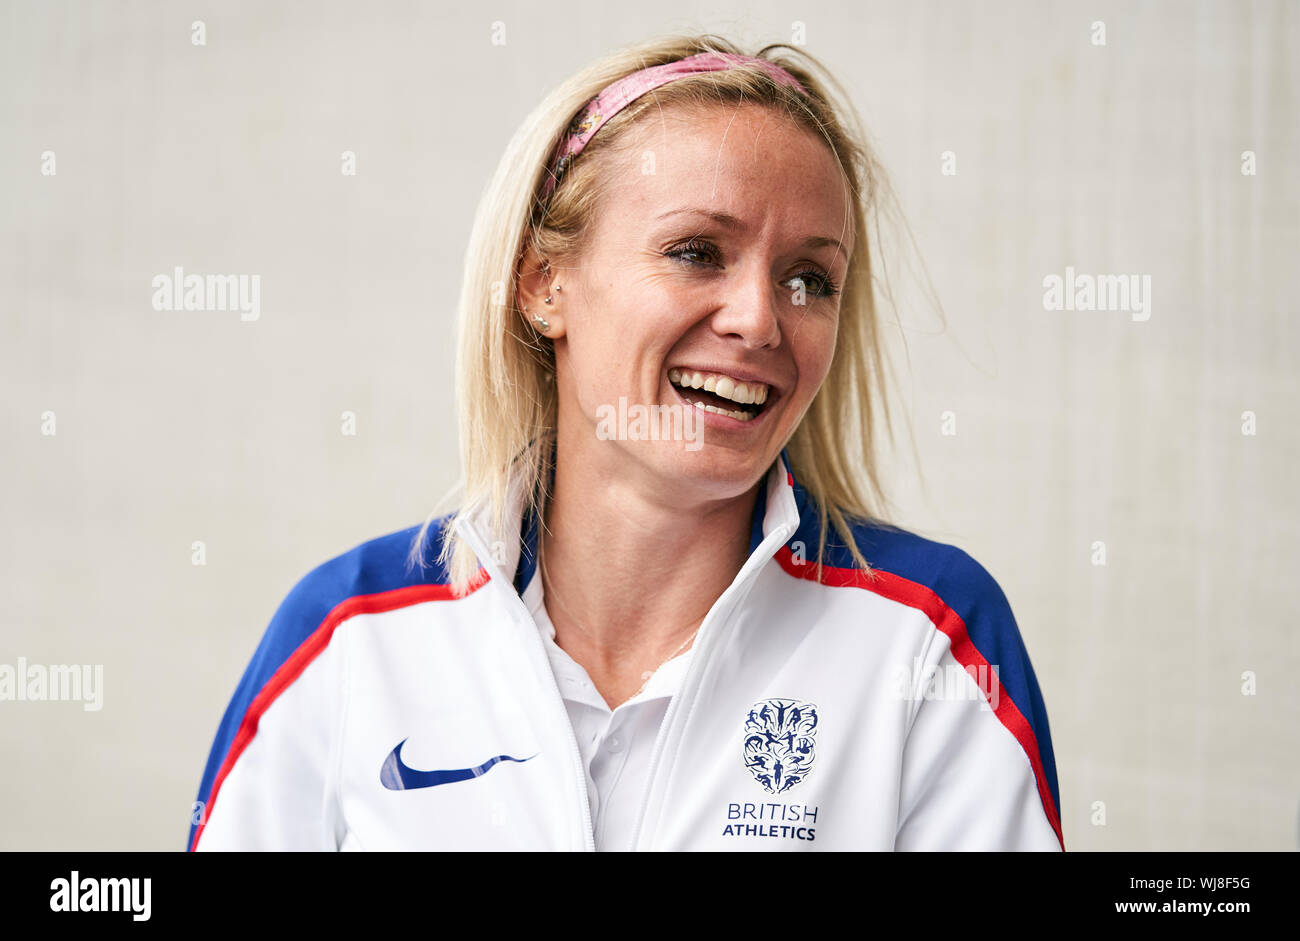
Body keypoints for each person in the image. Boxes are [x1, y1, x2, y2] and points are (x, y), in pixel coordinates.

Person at [188, 34, 1063, 851]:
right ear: (543, 283)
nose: (760, 319)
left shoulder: (933, 640)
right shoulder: (348, 639)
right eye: (696, 251)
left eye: (808, 278)